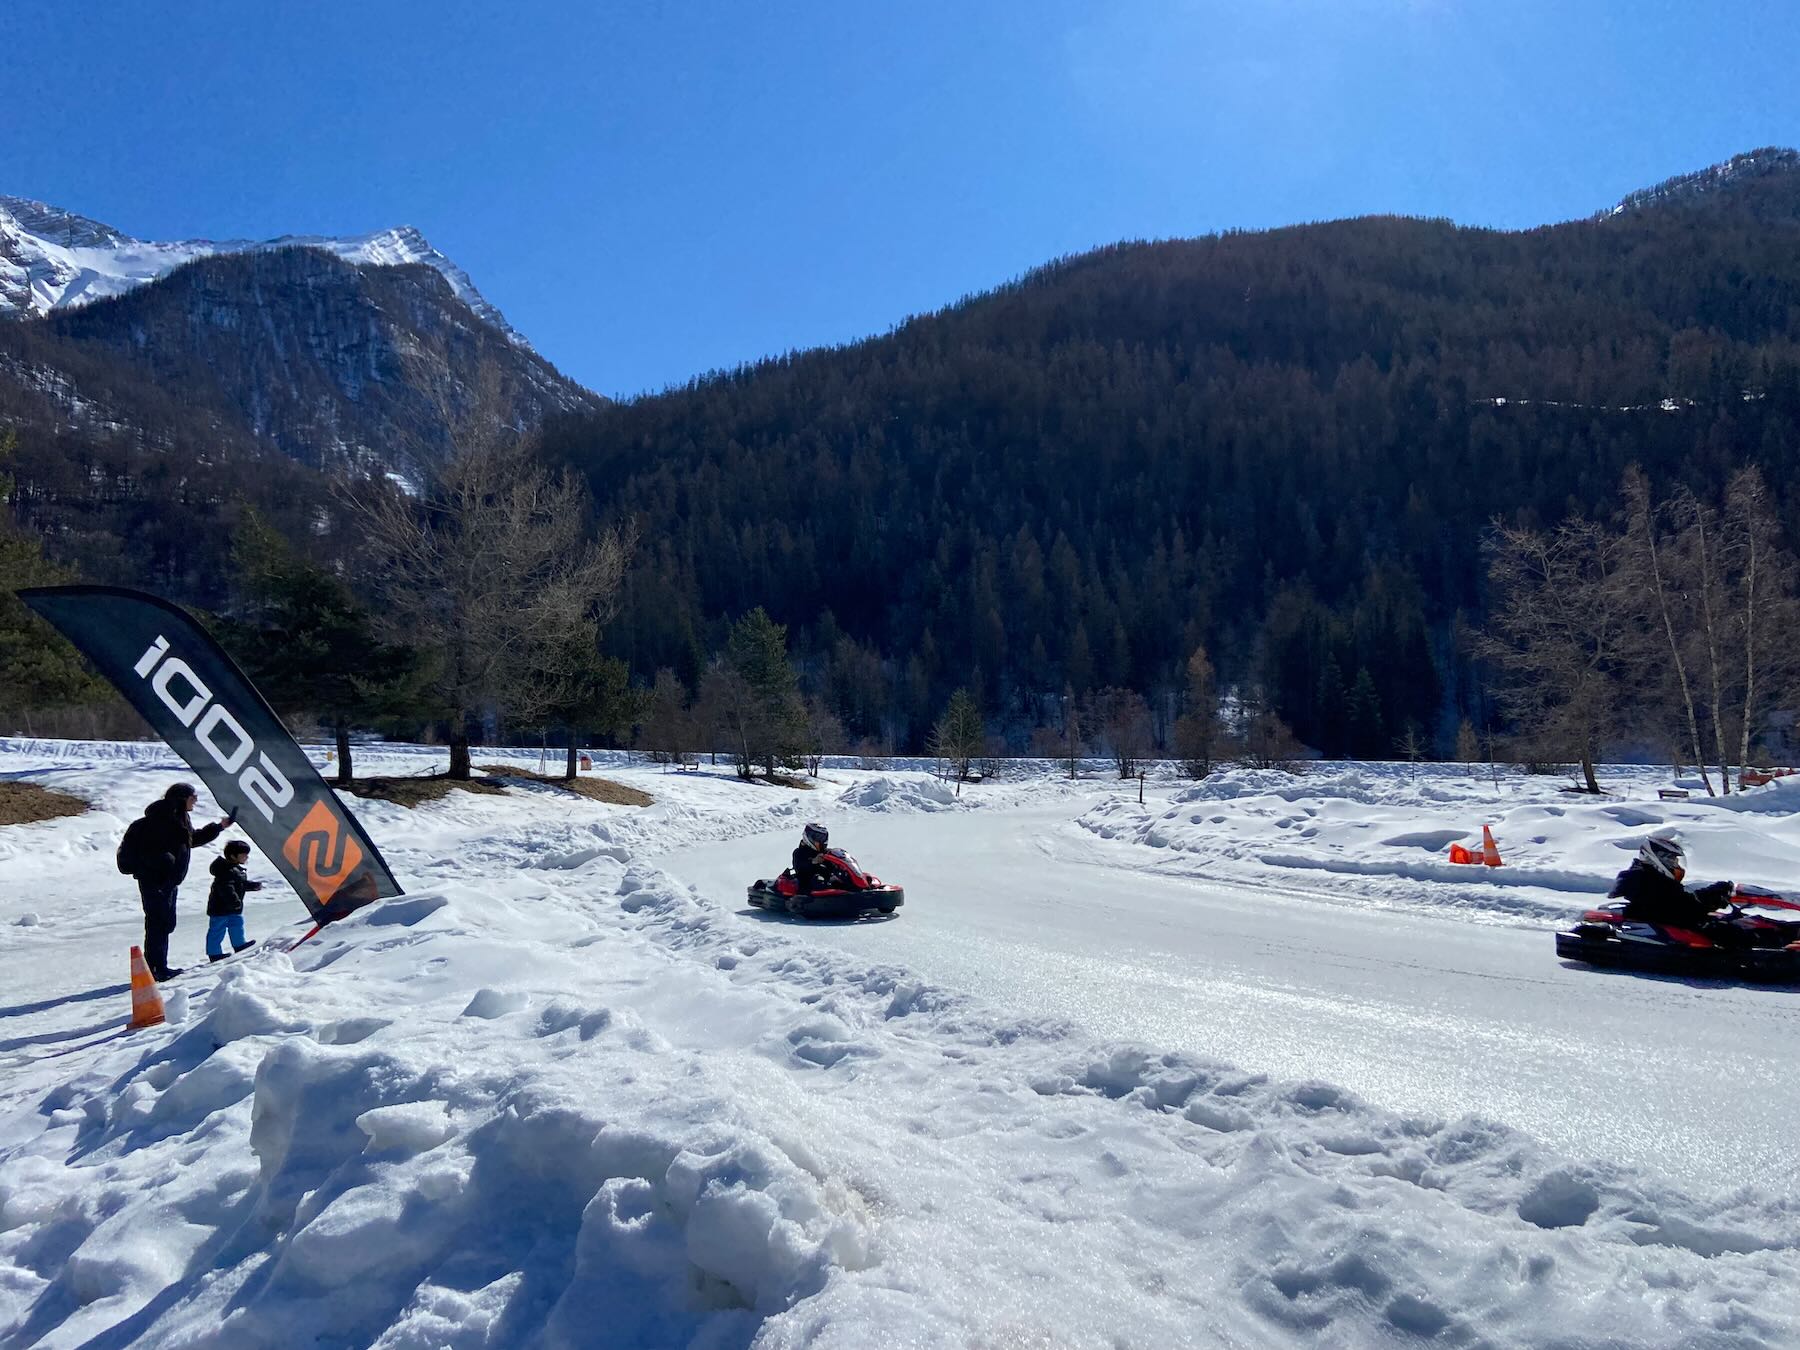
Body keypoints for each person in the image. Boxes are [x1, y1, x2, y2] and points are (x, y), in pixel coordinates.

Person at [121, 782, 231, 980]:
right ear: (181, 798)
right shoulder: (162, 819)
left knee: (164, 923)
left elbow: (190, 840)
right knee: (159, 923)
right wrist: (165, 863)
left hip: (168, 881)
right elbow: (151, 850)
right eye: (193, 797)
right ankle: (156, 969)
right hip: (156, 880)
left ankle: (155, 967)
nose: (195, 801)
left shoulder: (178, 818)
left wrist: (219, 827)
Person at [1610, 833, 1736, 933]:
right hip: (1663, 934)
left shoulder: (1655, 879)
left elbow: (1680, 901)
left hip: (1668, 926)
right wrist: (1709, 899)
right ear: (1656, 859)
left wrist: (1712, 896)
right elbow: (1677, 908)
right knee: (1725, 932)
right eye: (1672, 861)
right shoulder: (1643, 881)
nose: (1676, 866)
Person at [205, 840, 263, 962]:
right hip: (220, 908)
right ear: (233, 856)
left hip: (233, 908)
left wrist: (252, 886)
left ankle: (239, 944)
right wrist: (235, 902)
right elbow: (227, 889)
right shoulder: (224, 871)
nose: (246, 857)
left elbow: (239, 884)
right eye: (243, 855)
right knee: (217, 930)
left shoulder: (235, 869)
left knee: (237, 925)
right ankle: (214, 953)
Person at [791, 821, 838, 893]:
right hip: (807, 886)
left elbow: (831, 866)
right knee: (818, 881)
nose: (821, 841)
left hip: (826, 881)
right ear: (808, 837)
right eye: (819, 838)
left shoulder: (825, 852)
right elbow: (800, 867)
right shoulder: (799, 853)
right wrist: (813, 861)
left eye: (823, 838)